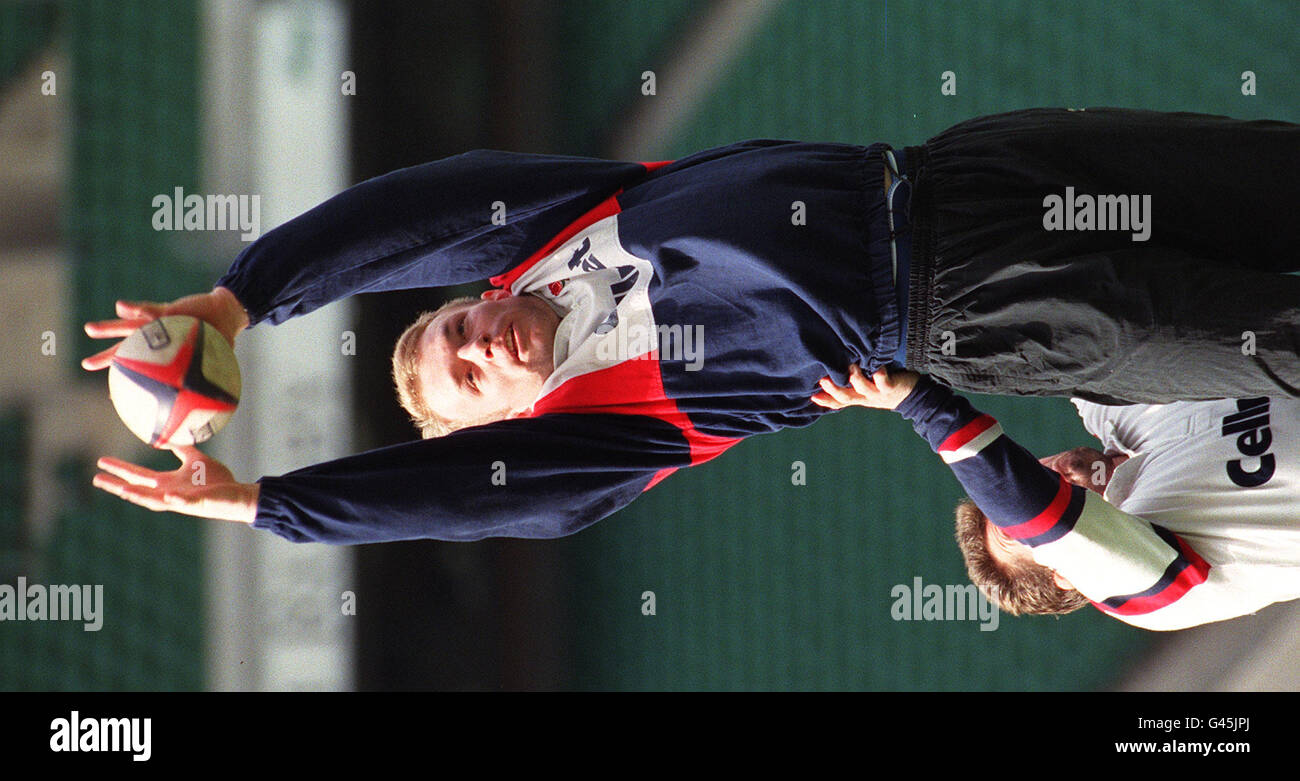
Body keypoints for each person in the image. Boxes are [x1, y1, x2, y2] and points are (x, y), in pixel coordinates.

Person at [82, 107, 1300, 544]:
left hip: (974, 167)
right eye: (470, 384)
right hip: (979, 306)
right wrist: (267, 504)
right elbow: (466, 498)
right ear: (513, 423)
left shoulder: (561, 220)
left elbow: (409, 214)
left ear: (469, 289)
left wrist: (244, 296)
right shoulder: (622, 429)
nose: (473, 349)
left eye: (452, 331)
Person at [814, 366, 1300, 631]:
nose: (1043, 476)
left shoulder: (1121, 420)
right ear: (1070, 575)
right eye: (1014, 530)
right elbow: (1031, 510)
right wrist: (917, 402)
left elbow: (1067, 335)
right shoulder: (1149, 596)